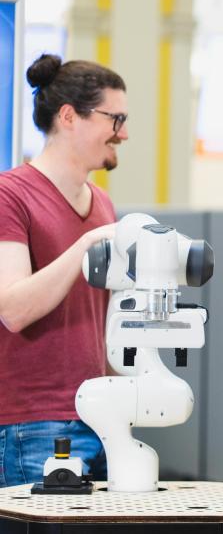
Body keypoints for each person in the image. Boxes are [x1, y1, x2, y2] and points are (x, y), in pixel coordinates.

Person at [0, 54, 129, 488]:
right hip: (35, 424)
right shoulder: (9, 195)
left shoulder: (103, 204)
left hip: (101, 416)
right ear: (69, 116)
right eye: (115, 118)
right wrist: (87, 244)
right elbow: (13, 308)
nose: (123, 133)